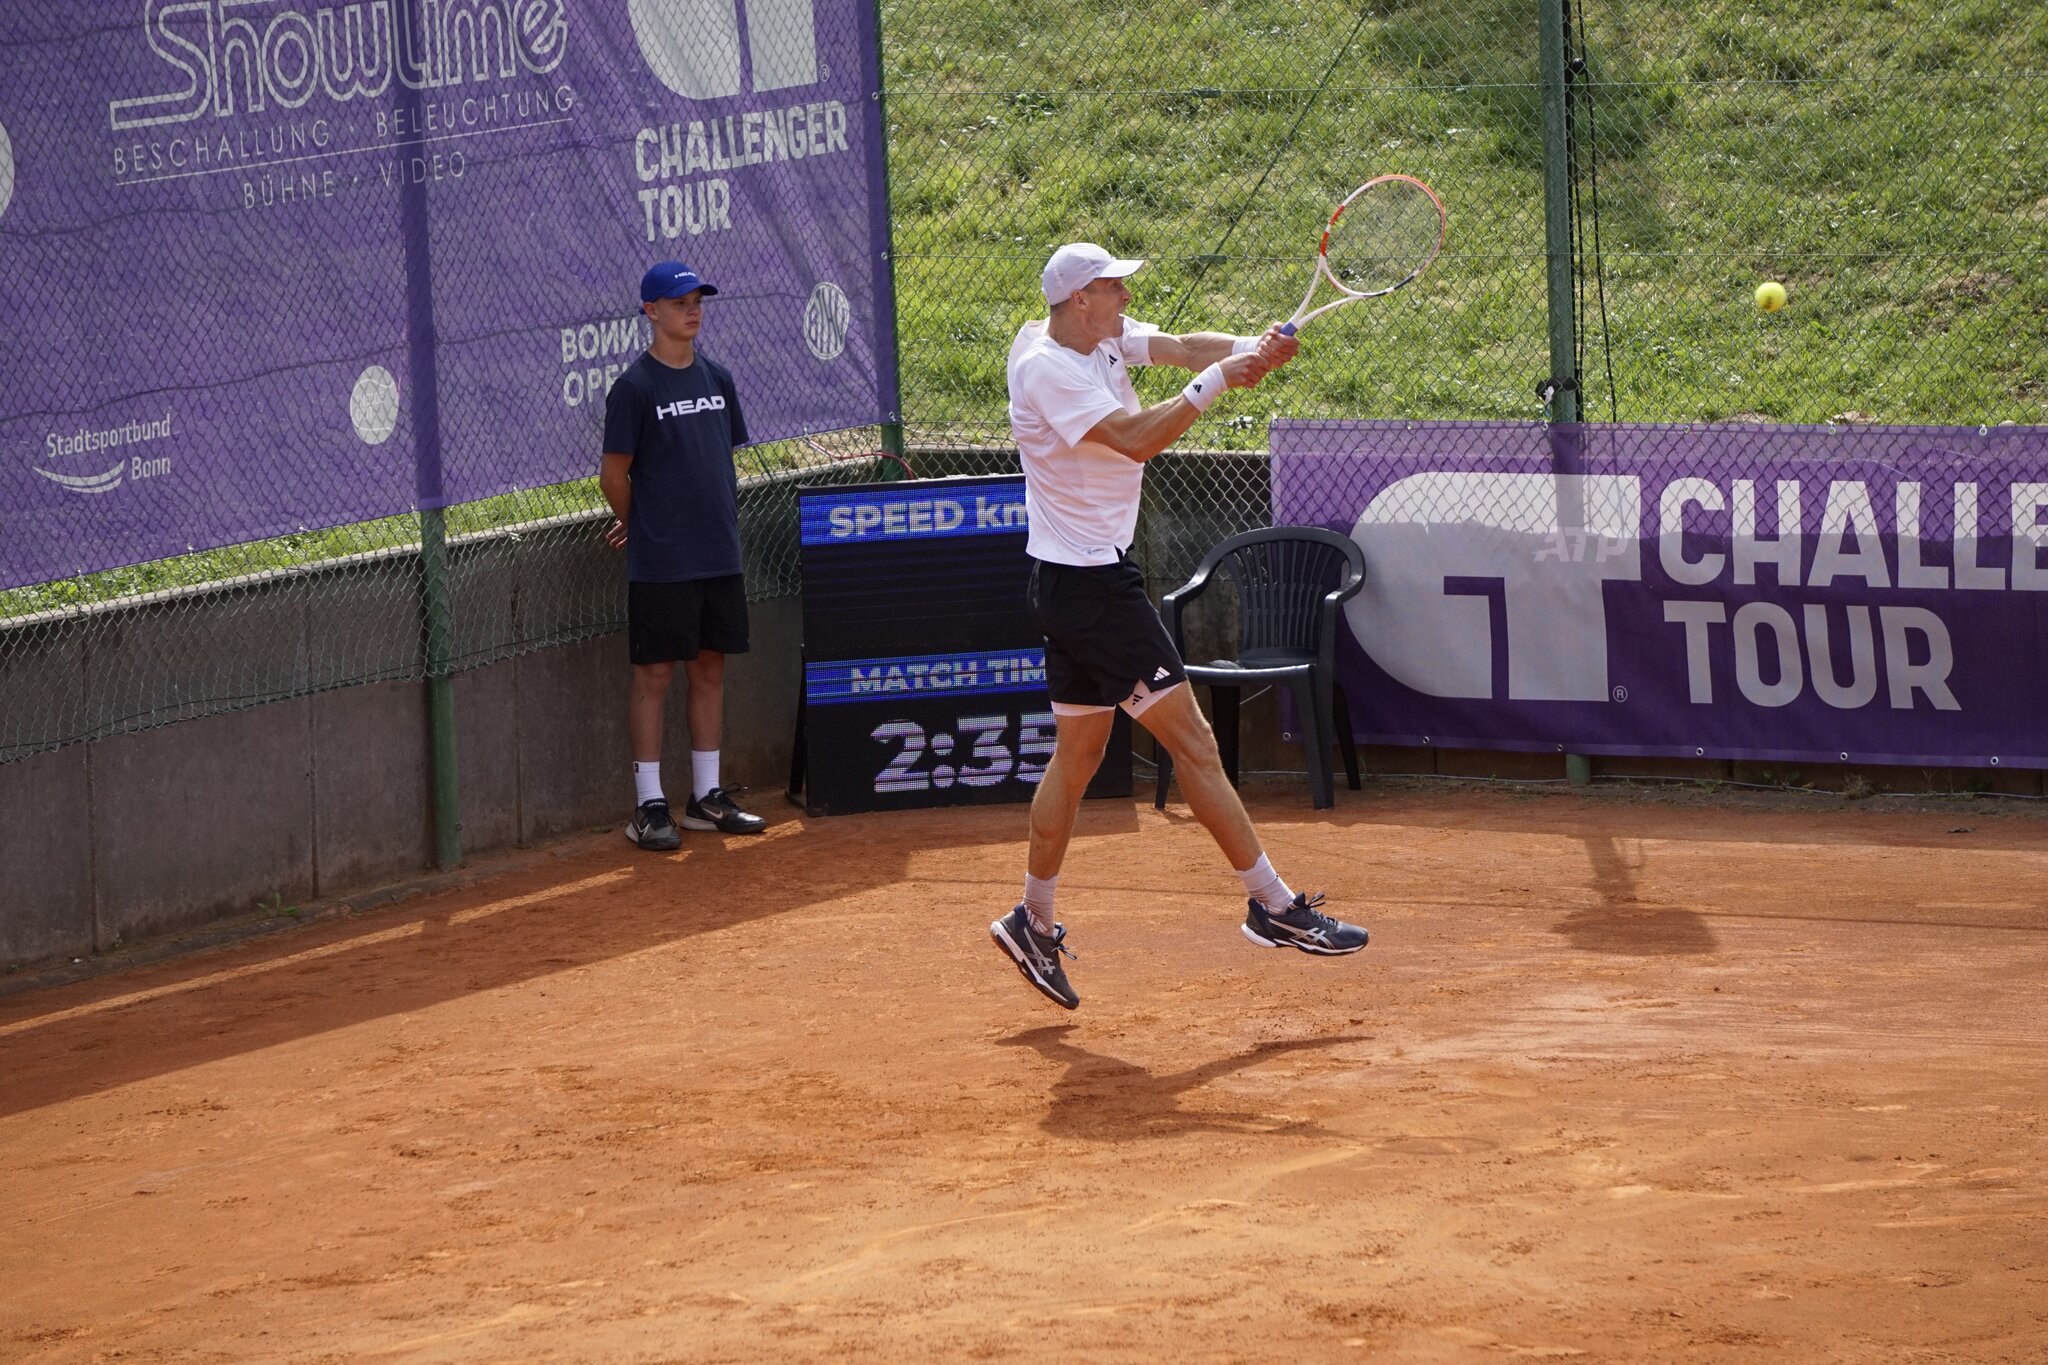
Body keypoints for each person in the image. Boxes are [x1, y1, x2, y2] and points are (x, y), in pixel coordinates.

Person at [989, 242, 1369, 1010]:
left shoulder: (1093, 336)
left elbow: (1184, 346)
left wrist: (1251, 348)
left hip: (1069, 582)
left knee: (1078, 754)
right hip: (1094, 591)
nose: (1126, 298)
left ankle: (1032, 918)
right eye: (1113, 288)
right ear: (1078, 299)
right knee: (1193, 741)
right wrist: (1221, 378)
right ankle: (1273, 904)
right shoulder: (1046, 369)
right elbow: (1137, 438)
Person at [600, 260, 768, 850]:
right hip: (663, 560)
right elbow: (613, 475)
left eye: (697, 301)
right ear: (651, 311)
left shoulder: (718, 378)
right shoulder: (634, 389)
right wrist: (640, 524)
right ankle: (649, 805)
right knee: (654, 674)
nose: (692, 310)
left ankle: (705, 797)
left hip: (718, 550)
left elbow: (716, 461)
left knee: (710, 668)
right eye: (679, 302)